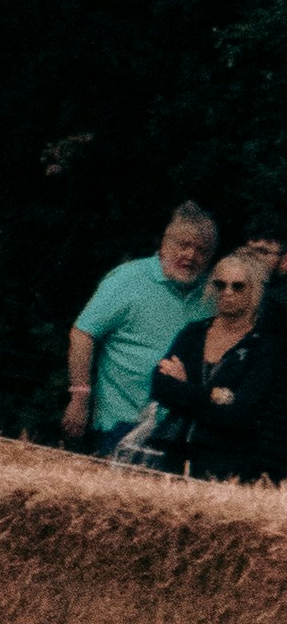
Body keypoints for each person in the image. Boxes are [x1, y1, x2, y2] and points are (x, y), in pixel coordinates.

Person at [65, 200, 220, 450]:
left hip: (179, 429)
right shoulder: (129, 278)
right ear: (164, 243)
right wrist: (80, 397)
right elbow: (83, 333)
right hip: (120, 423)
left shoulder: (213, 294)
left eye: (202, 250)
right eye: (183, 245)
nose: (191, 255)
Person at [138, 256, 284, 481]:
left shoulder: (263, 347)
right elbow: (160, 387)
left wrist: (185, 388)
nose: (227, 292)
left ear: (254, 291)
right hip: (173, 452)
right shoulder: (194, 333)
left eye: (238, 286)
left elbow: (240, 414)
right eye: (220, 284)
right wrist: (212, 395)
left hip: (226, 462)